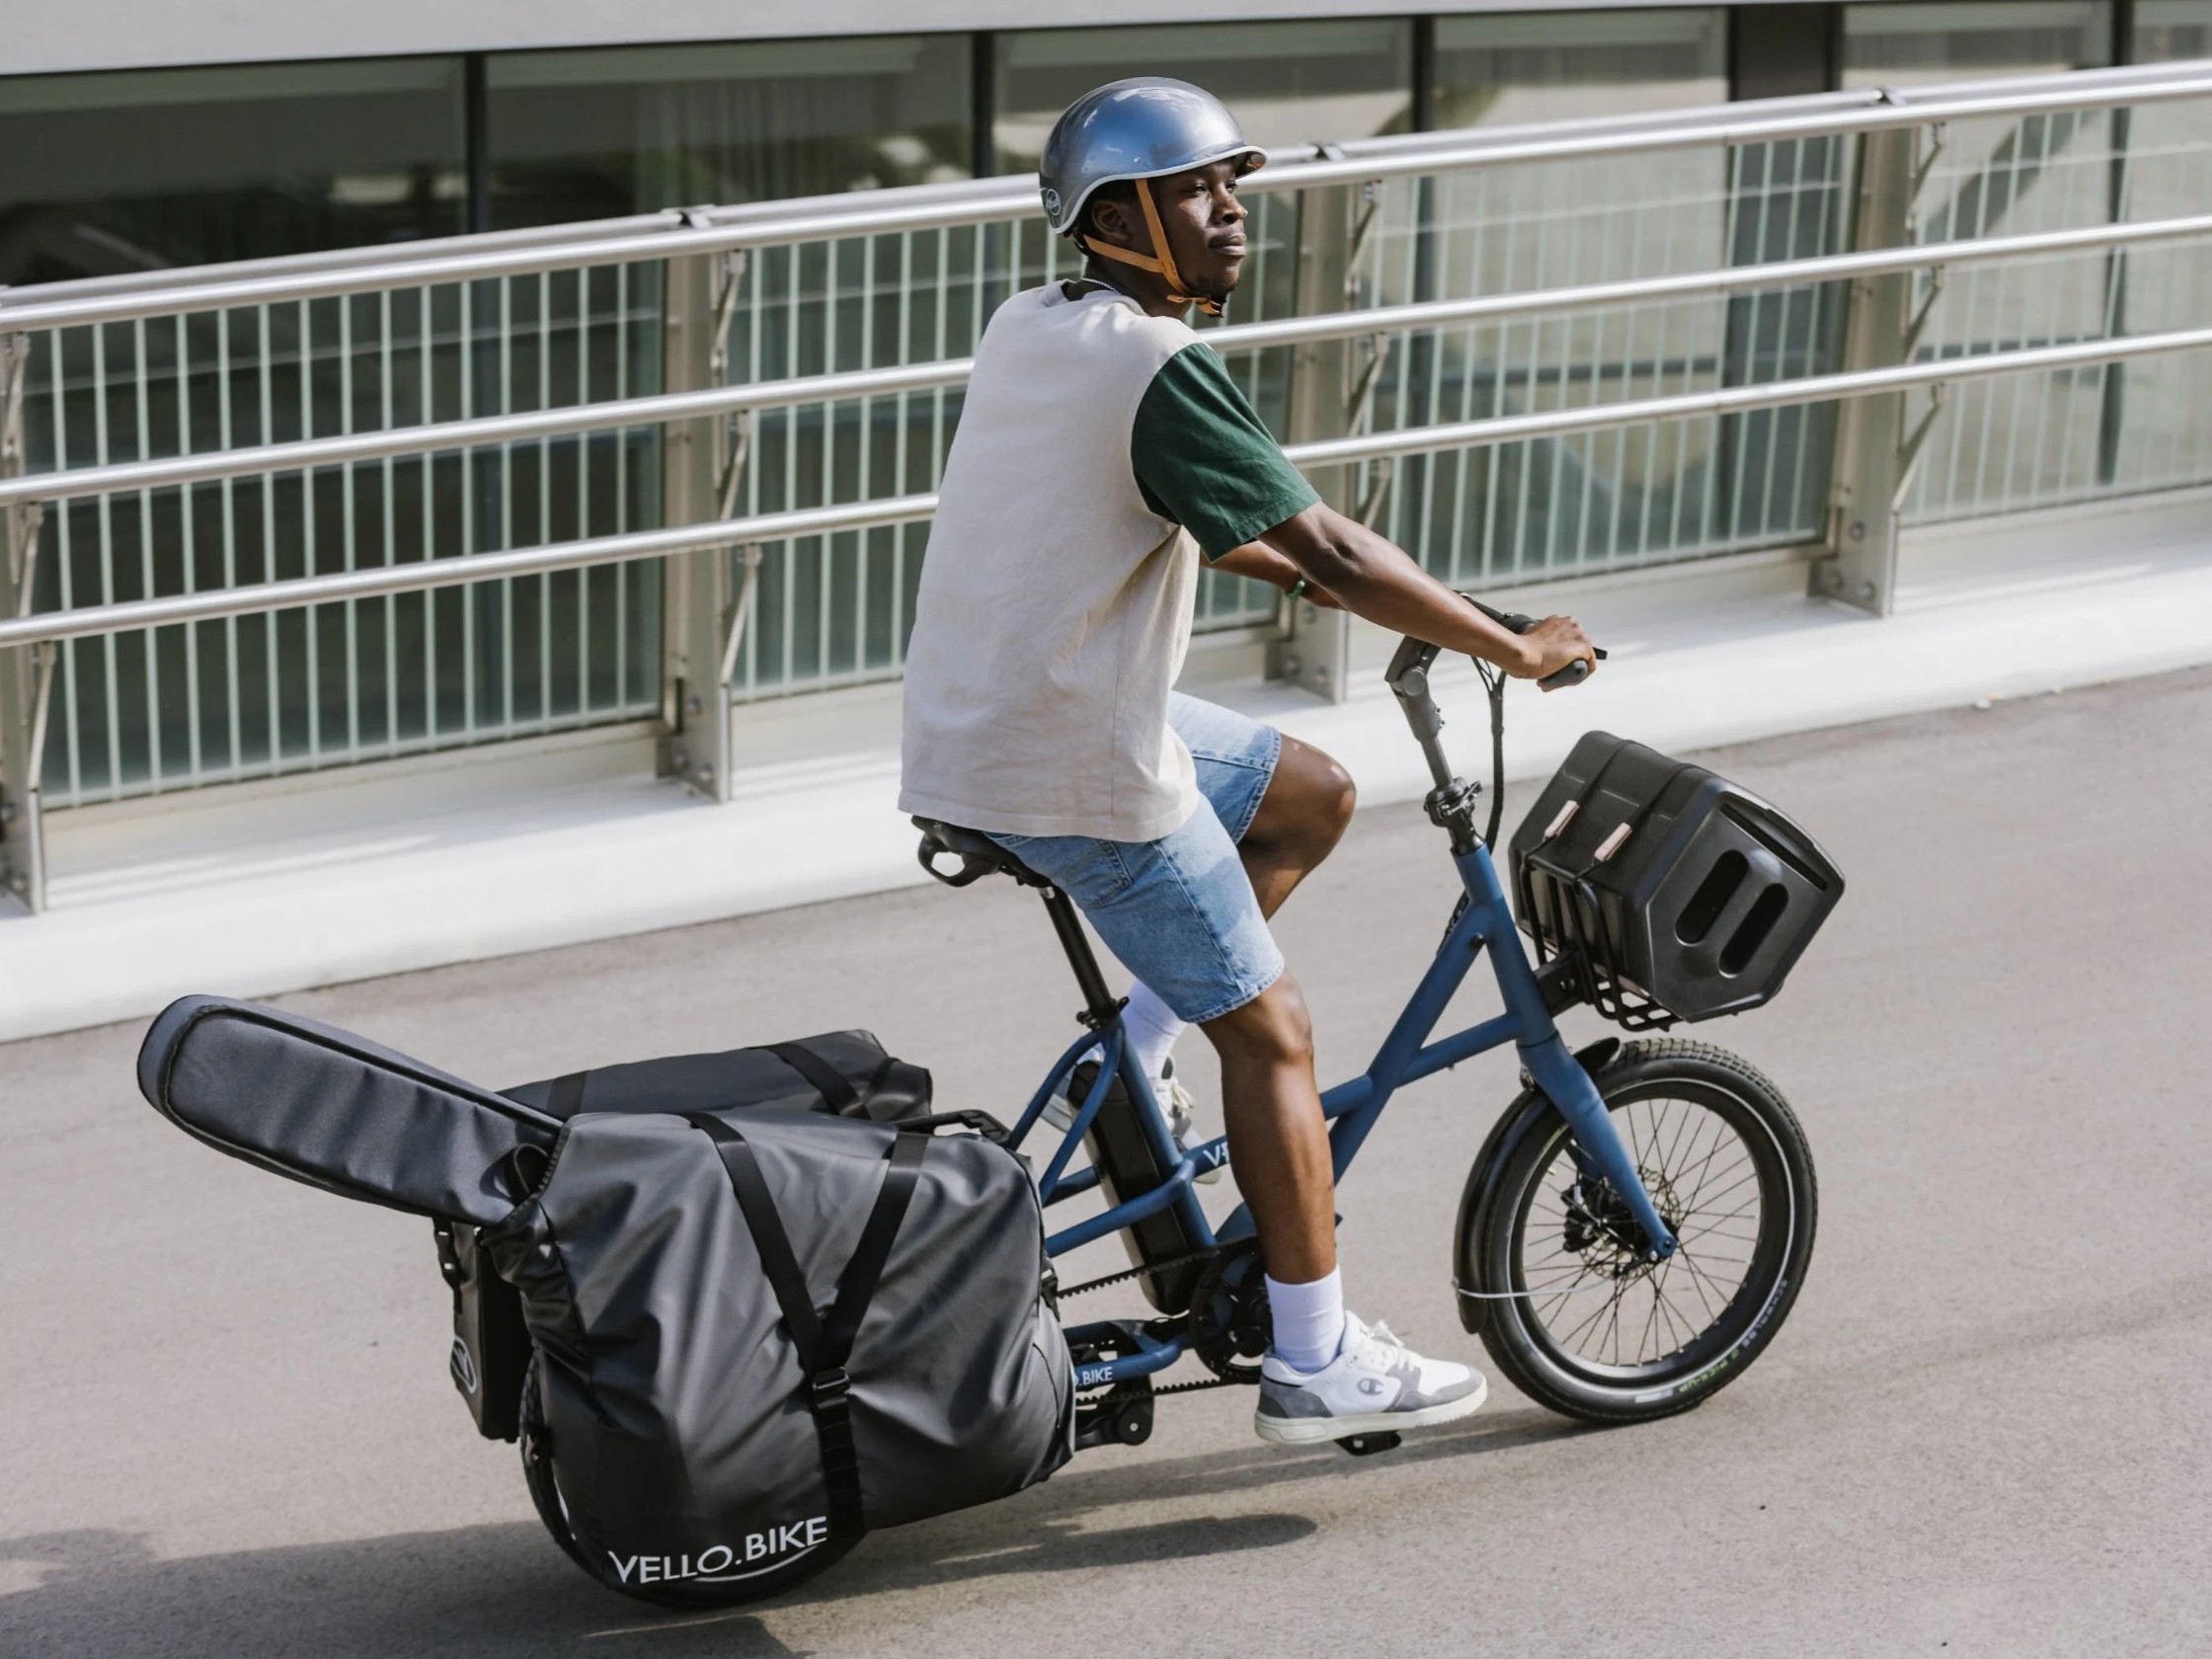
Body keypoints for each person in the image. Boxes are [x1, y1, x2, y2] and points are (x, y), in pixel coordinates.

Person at [898, 77, 1596, 1446]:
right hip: (1070, 760)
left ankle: (1144, 1051)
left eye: (1235, 188)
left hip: (999, 721)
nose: (1231, 213)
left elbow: (1235, 528)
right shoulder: (1149, 363)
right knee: (1272, 1034)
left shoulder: (1040, 327)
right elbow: (1326, 542)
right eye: (1198, 192)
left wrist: (1416, 606)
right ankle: (1314, 1360)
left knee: (1309, 794)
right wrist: (1508, 649)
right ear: (1119, 218)